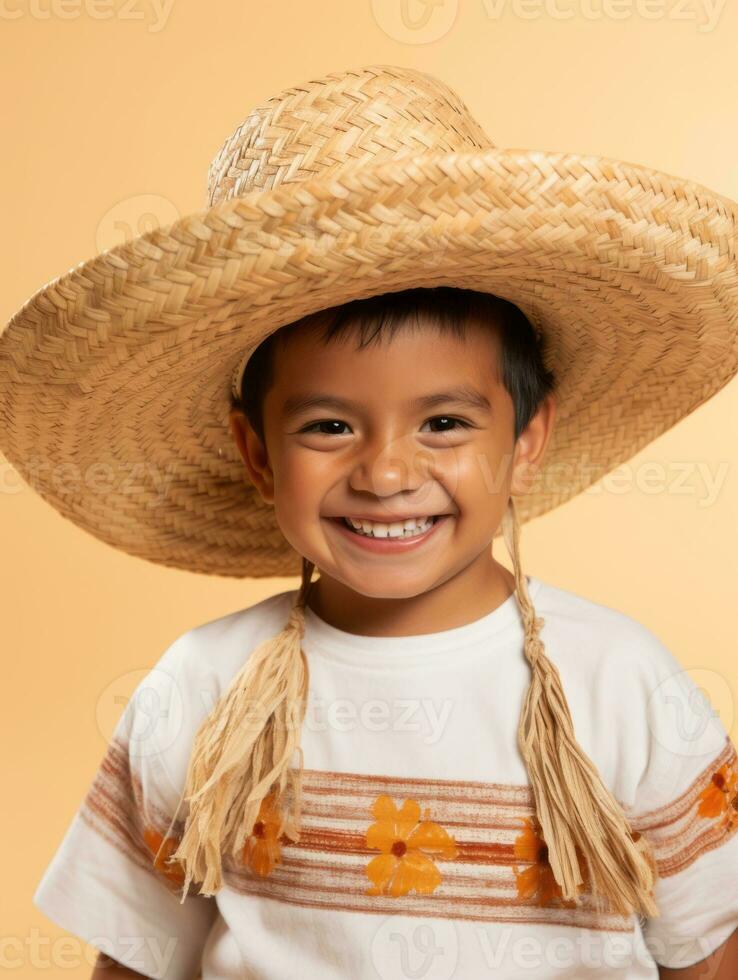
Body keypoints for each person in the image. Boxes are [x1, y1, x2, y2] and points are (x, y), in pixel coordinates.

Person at [3, 65, 737, 979]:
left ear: (527, 439)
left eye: (443, 423)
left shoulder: (621, 685)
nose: (386, 473)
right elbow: (139, 957)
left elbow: (708, 955)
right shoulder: (202, 689)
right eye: (329, 426)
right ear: (258, 452)